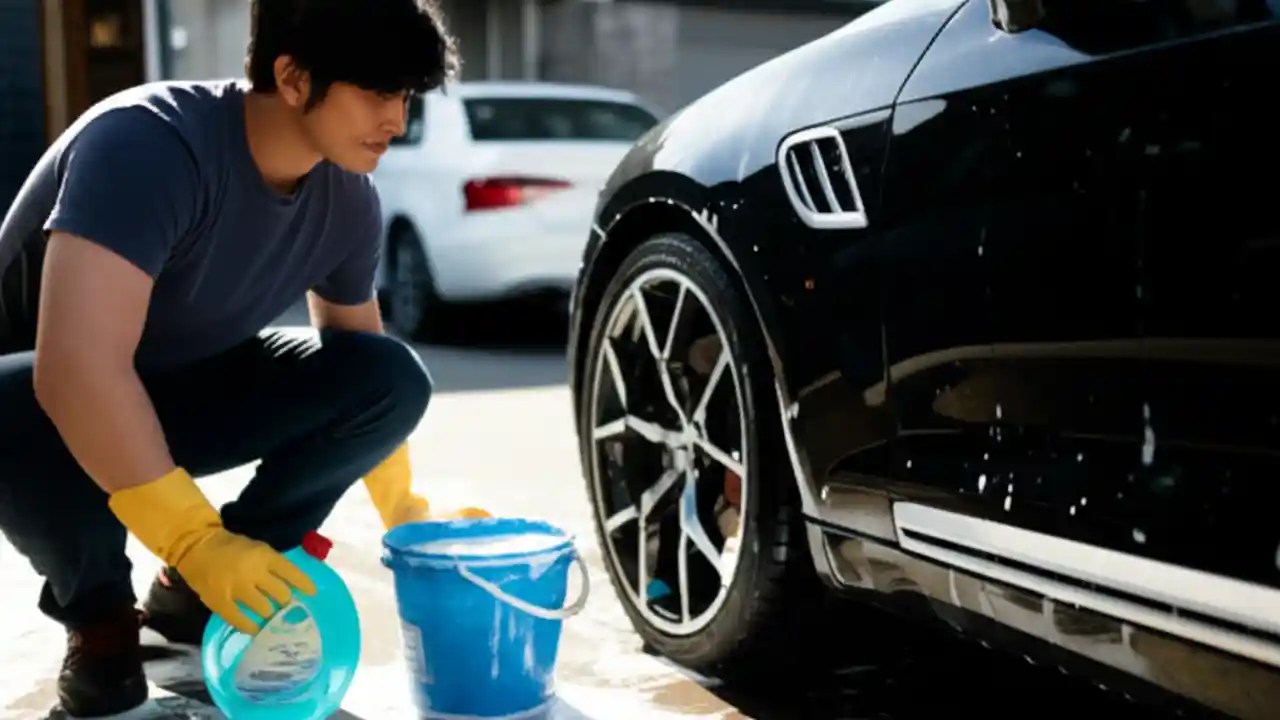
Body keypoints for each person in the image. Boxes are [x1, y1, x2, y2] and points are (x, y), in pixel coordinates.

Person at [0, 0, 488, 716]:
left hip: (177, 391)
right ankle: (101, 621)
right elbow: (76, 372)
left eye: (406, 94)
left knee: (387, 376)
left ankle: (195, 598)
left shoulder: (348, 197)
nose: (397, 119)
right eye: (378, 91)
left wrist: (406, 514)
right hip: (43, 414)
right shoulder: (146, 146)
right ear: (292, 78)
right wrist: (194, 538)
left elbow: (365, 363)